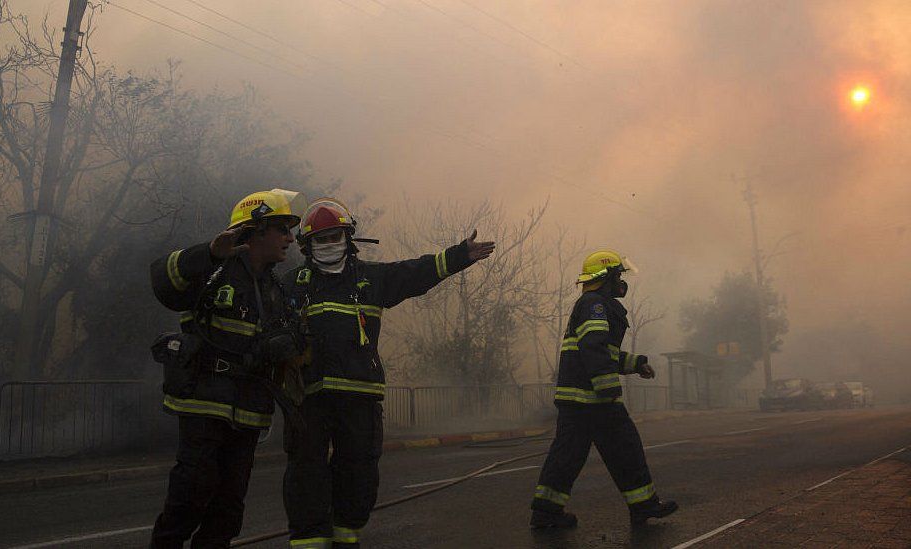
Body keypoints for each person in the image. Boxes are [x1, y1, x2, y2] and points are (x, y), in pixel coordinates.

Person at [282, 197, 495, 548]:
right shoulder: (291, 285)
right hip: (308, 400)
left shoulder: (372, 279)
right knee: (306, 475)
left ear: (349, 239)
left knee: (360, 472)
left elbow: (416, 273)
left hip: (361, 399)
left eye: (335, 237)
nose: (328, 245)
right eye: (321, 240)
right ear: (307, 246)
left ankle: (346, 537)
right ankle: (309, 541)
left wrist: (460, 255)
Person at [148, 189, 304, 548]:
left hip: (249, 410)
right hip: (205, 404)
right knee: (190, 495)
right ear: (257, 229)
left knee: (229, 510)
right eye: (283, 229)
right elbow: (163, 280)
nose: (290, 239)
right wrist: (209, 253)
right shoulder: (213, 270)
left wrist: (289, 344)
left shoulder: (276, 289)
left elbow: (290, 343)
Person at [530, 250, 677, 529]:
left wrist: (637, 363)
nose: (621, 281)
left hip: (579, 399)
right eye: (618, 275)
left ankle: (546, 512)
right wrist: (608, 390)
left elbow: (604, 352)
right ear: (606, 278)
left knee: (568, 457)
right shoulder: (595, 304)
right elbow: (593, 348)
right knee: (625, 447)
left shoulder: (592, 303)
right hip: (591, 399)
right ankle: (643, 506)